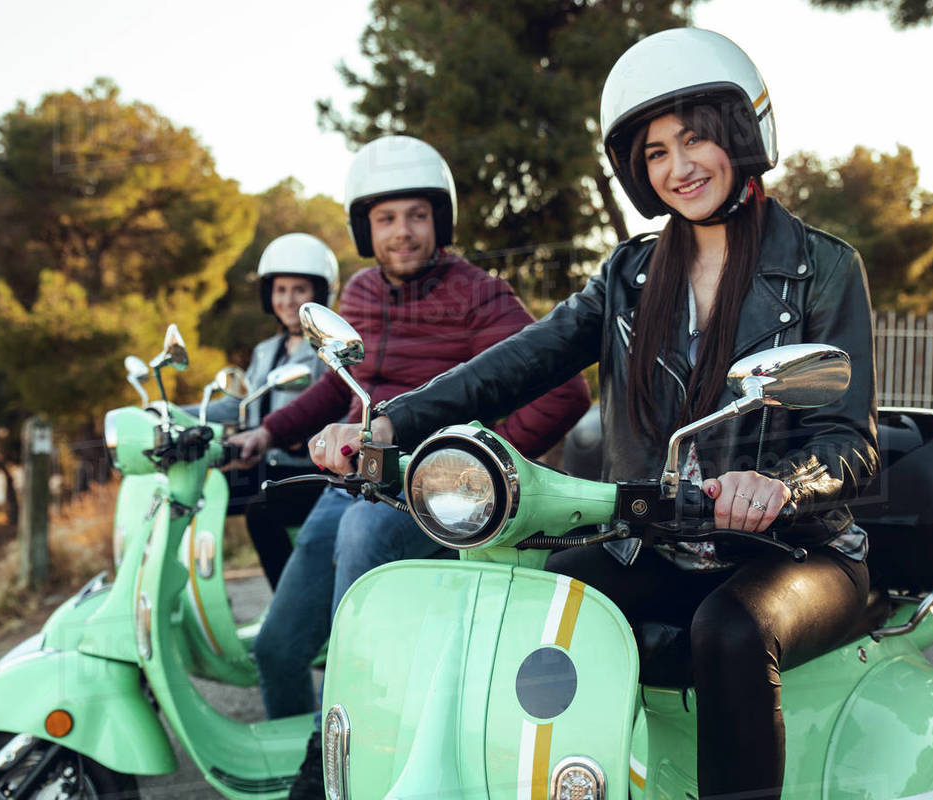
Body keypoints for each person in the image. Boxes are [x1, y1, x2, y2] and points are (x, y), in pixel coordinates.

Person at [318, 29, 878, 800]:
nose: (679, 167)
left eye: (695, 139)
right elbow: (518, 363)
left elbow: (848, 439)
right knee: (522, 611)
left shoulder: (824, 266)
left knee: (732, 629)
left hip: (796, 548)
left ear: (741, 132)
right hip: (658, 537)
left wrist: (779, 484)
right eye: (656, 152)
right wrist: (388, 424)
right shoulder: (631, 275)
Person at [229, 135, 591, 798]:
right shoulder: (362, 290)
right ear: (364, 229)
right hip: (351, 485)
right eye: (387, 218)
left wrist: (474, 470)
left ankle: (329, 761)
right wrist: (267, 432)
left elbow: (564, 392)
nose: (402, 232)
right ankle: (310, 748)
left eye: (417, 215)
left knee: (361, 546)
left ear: (440, 221)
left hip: (424, 493)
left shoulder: (479, 294)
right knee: (277, 647)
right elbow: (337, 387)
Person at [199, 232, 338, 589]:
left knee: (261, 510)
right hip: (264, 465)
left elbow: (335, 407)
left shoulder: (332, 350)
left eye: (299, 290)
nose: (288, 300)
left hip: (311, 470)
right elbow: (238, 405)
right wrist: (172, 411)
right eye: (280, 290)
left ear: (320, 293)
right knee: (196, 493)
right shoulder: (266, 350)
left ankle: (293, 599)